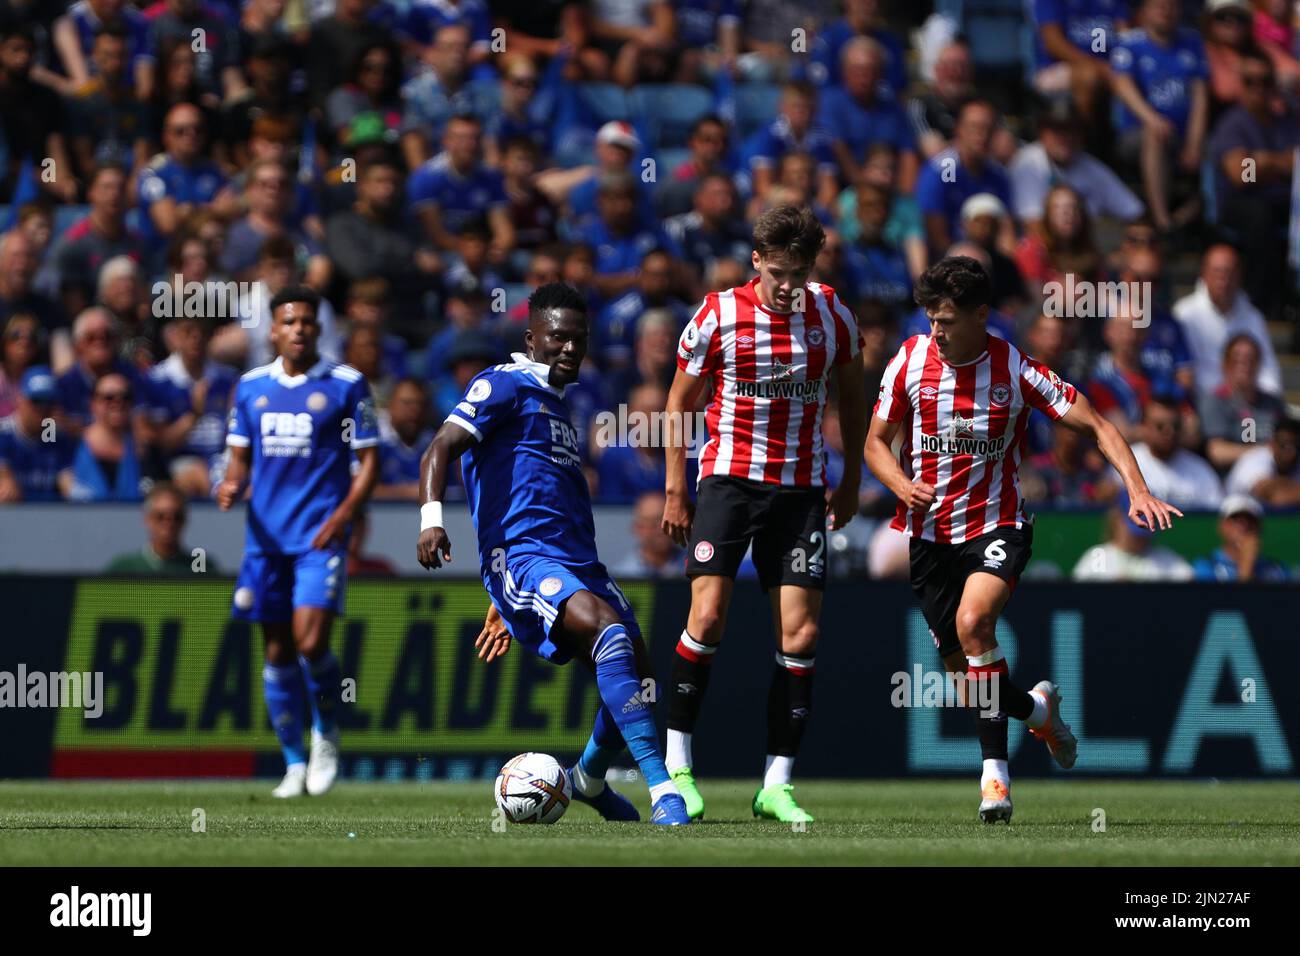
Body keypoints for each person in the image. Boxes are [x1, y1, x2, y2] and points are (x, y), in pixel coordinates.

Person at [865, 256, 1182, 823]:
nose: (936, 331)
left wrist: (1136, 489)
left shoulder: (1014, 369)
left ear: (980, 315)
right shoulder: (909, 361)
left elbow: (1098, 425)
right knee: (972, 682)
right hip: (929, 535)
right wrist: (900, 484)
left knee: (974, 623)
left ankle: (995, 781)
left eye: (947, 320)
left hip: (997, 523)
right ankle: (1038, 711)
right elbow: (874, 442)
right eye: (931, 319)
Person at [416, 281, 691, 826]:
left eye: (578, 338)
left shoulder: (560, 404)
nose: (570, 347)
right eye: (558, 337)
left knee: (640, 678)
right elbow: (441, 445)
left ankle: (587, 778)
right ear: (531, 338)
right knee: (607, 632)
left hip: (578, 562)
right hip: (526, 557)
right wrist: (432, 521)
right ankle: (664, 791)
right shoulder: (503, 383)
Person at [660, 205, 867, 823]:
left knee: (801, 635)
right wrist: (675, 489)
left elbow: (854, 400)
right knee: (708, 615)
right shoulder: (718, 314)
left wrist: (852, 479)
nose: (787, 286)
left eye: (798, 274)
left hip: (800, 492)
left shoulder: (833, 316)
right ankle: (677, 771)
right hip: (728, 483)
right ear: (756, 262)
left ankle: (776, 784)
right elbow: (678, 402)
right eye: (777, 273)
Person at [217, 286, 380, 799]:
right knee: (277, 650)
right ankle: (292, 763)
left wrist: (344, 515)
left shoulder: (346, 384)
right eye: (289, 321)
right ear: (273, 330)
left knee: (311, 642)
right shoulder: (250, 387)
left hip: (319, 537)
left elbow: (369, 460)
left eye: (307, 321)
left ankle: (325, 733)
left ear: (318, 328)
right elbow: (239, 458)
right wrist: (229, 484)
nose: (299, 329)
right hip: (265, 541)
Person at [1073, 492, 1194, 580]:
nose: (1140, 538)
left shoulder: (1167, 560)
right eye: (1135, 526)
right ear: (1117, 520)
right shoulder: (1097, 557)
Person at [0, 365, 75, 502]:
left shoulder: (55, 436)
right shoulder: (4, 433)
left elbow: (69, 484)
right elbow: (4, 478)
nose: (43, 408)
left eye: (49, 402)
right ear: (20, 399)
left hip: (49, 513)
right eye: (36, 401)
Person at [105, 483, 217, 573]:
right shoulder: (123, 568)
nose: (169, 523)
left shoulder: (202, 568)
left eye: (177, 517)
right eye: (160, 516)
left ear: (185, 520)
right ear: (147, 519)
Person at [1192, 493, 1290, 581]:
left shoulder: (1278, 570)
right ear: (1222, 526)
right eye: (1235, 519)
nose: (1244, 525)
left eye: (1250, 519)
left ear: (1260, 527)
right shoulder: (1205, 567)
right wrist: (1246, 564)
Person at [1225, 416, 1300, 504]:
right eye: (1285, 446)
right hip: (1233, 511)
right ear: (1272, 444)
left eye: (1297, 446)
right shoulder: (1254, 460)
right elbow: (1277, 496)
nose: (1292, 452)